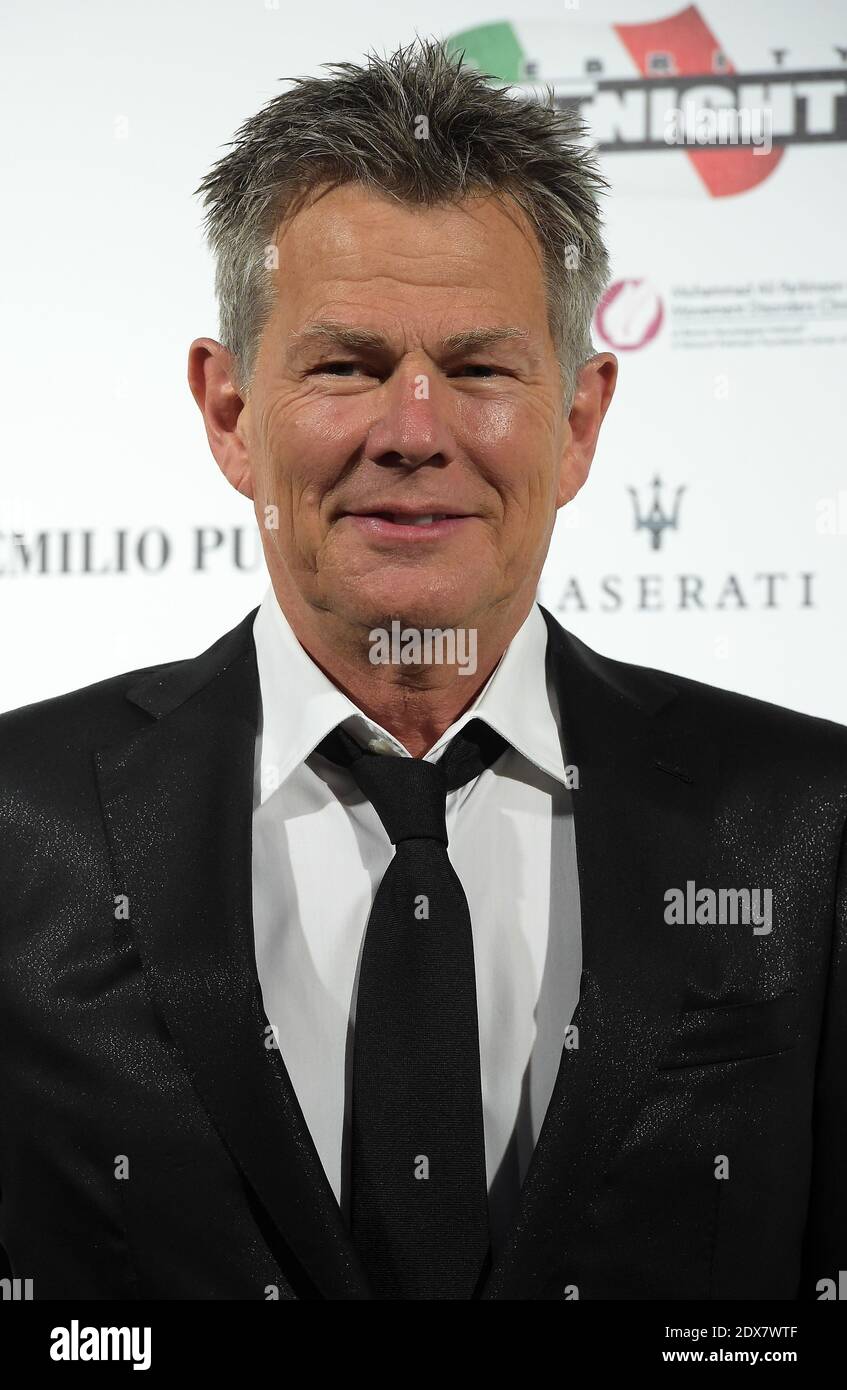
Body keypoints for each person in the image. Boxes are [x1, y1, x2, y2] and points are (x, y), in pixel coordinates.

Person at [0, 39, 845, 1302]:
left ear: (577, 420)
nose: (411, 430)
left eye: (478, 369)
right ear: (229, 413)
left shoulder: (807, 820)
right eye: (344, 365)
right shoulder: (20, 819)